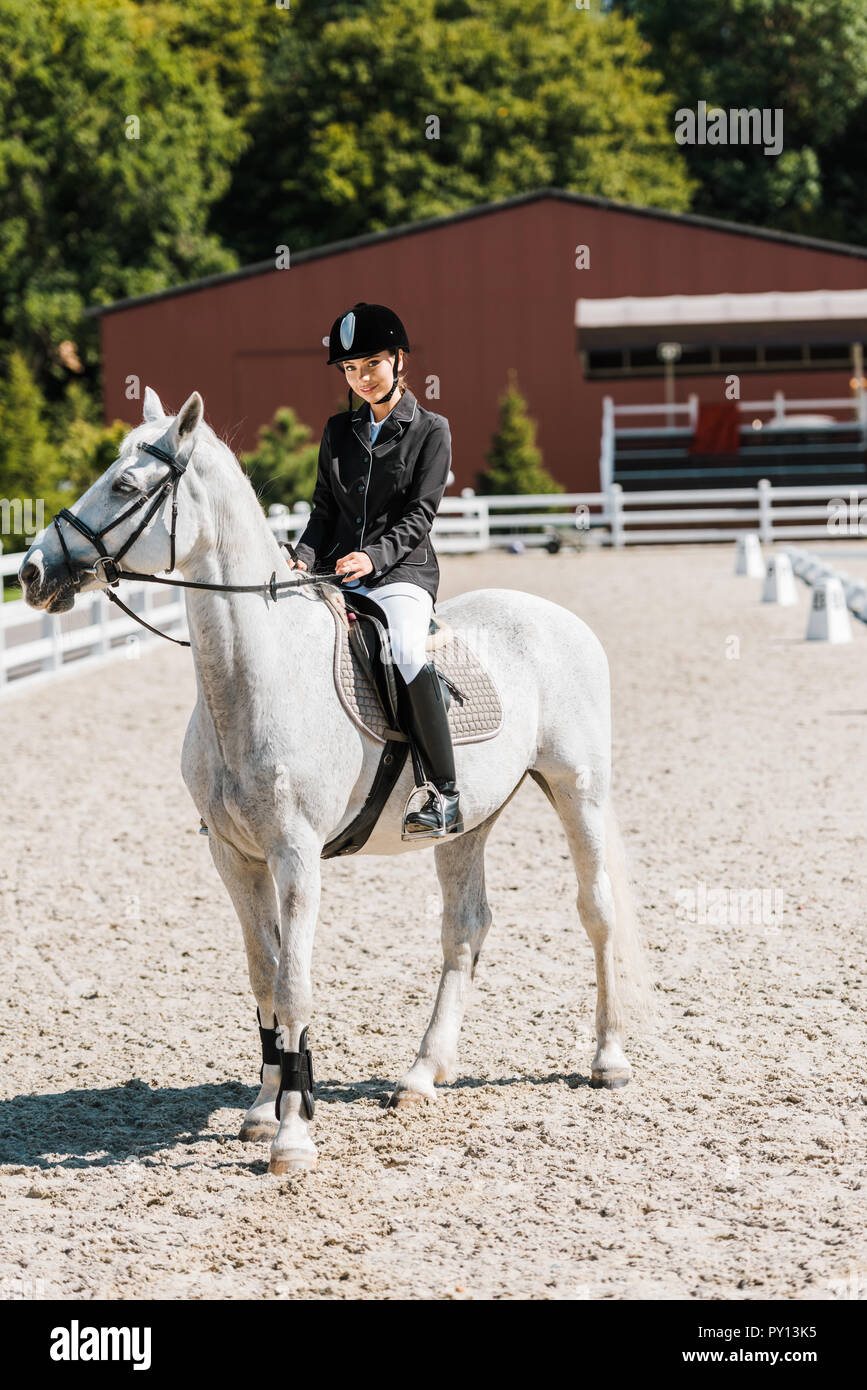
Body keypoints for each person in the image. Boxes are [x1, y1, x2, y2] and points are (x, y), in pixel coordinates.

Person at [287, 301, 463, 836]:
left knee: (406, 650)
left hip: (402, 573)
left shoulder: (431, 430)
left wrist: (375, 556)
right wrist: (303, 558)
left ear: (398, 359)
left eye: (371, 365)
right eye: (349, 369)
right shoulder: (338, 430)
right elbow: (323, 511)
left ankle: (443, 791)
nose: (360, 378)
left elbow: (419, 515)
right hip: (338, 574)